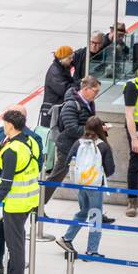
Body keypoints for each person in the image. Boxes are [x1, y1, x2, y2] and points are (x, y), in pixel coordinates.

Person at [0, 109, 40, 274]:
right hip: (29, 200)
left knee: (14, 244)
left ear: (9, 125)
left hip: (16, 203)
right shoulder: (31, 142)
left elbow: (7, 181)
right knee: (17, 242)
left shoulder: (12, 150)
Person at [56, 117, 114, 257]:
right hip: (95, 185)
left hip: (81, 183)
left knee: (83, 211)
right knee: (96, 216)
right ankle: (92, 250)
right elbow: (110, 169)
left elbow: (67, 162)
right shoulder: (103, 146)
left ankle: (67, 238)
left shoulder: (78, 143)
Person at [44, 76, 100, 204]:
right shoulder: (71, 104)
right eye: (95, 91)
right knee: (56, 177)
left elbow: (88, 122)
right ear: (85, 89)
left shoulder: (89, 103)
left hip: (83, 146)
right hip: (67, 148)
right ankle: (37, 206)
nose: (96, 94)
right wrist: (94, 130)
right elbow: (72, 129)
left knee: (92, 177)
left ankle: (95, 211)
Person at [123, 53, 138, 217]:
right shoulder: (132, 86)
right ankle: (132, 201)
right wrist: (134, 138)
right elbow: (129, 115)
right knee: (135, 164)